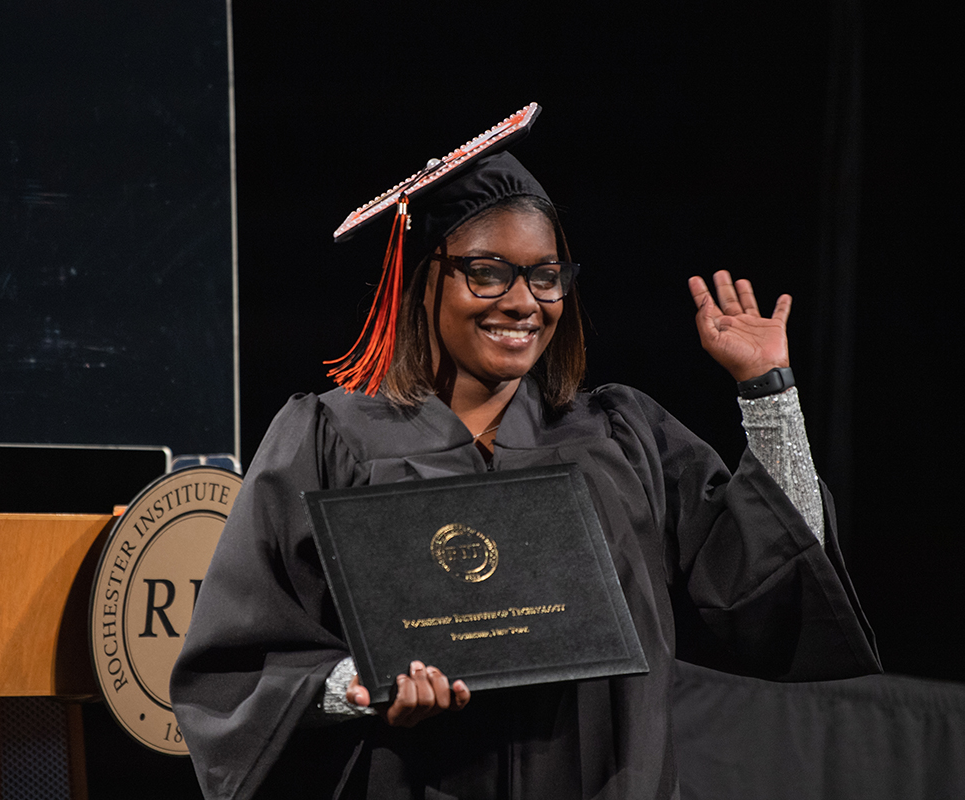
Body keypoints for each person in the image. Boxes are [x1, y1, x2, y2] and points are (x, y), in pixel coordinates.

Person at [171, 107, 879, 799]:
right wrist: (363, 686)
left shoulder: (622, 437)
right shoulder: (330, 438)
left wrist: (767, 391)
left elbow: (770, 577)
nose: (523, 302)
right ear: (425, 280)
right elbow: (240, 666)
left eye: (546, 275)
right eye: (488, 272)